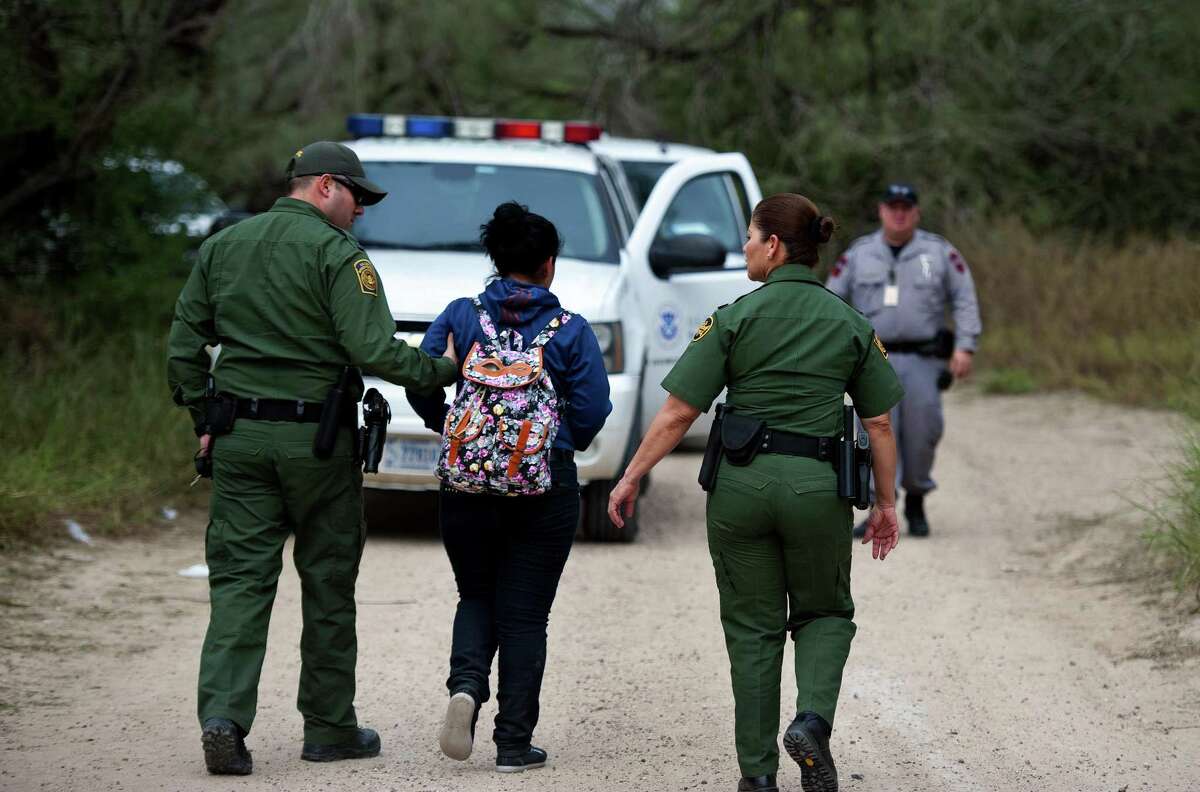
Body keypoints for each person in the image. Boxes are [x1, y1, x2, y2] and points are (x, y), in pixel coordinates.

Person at [166, 141, 460, 775]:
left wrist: (204, 418)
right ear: (325, 185)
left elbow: (185, 347)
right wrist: (444, 368)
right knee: (327, 582)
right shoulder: (339, 256)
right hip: (317, 445)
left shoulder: (221, 247)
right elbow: (374, 349)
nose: (360, 213)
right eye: (356, 197)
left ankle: (223, 718)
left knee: (241, 582)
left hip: (240, 440)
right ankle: (329, 728)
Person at [607, 194, 904, 792]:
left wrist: (632, 474)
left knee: (753, 629)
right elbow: (878, 425)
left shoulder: (734, 317)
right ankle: (812, 722)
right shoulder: (849, 322)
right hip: (818, 490)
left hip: (740, 490)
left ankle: (758, 778)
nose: (742, 247)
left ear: (773, 246)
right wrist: (886, 503)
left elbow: (677, 412)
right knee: (824, 612)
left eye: (749, 236)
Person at [407, 202, 610, 773]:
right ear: (549, 264)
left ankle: (467, 685)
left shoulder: (460, 315)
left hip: (467, 483)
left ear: (495, 260)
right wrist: (558, 441)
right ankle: (514, 745)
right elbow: (593, 407)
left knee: (475, 593)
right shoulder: (570, 330)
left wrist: (451, 427)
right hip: (545, 486)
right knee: (525, 617)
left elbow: (425, 381)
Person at [826, 182, 981, 537]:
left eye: (906, 207)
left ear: (916, 212)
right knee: (873, 433)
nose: (899, 213)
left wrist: (965, 345)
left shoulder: (940, 253)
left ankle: (916, 497)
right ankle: (877, 503)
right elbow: (832, 301)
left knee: (922, 431)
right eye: (892, 206)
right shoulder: (859, 254)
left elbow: (964, 298)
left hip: (922, 358)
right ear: (881, 211)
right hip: (872, 358)